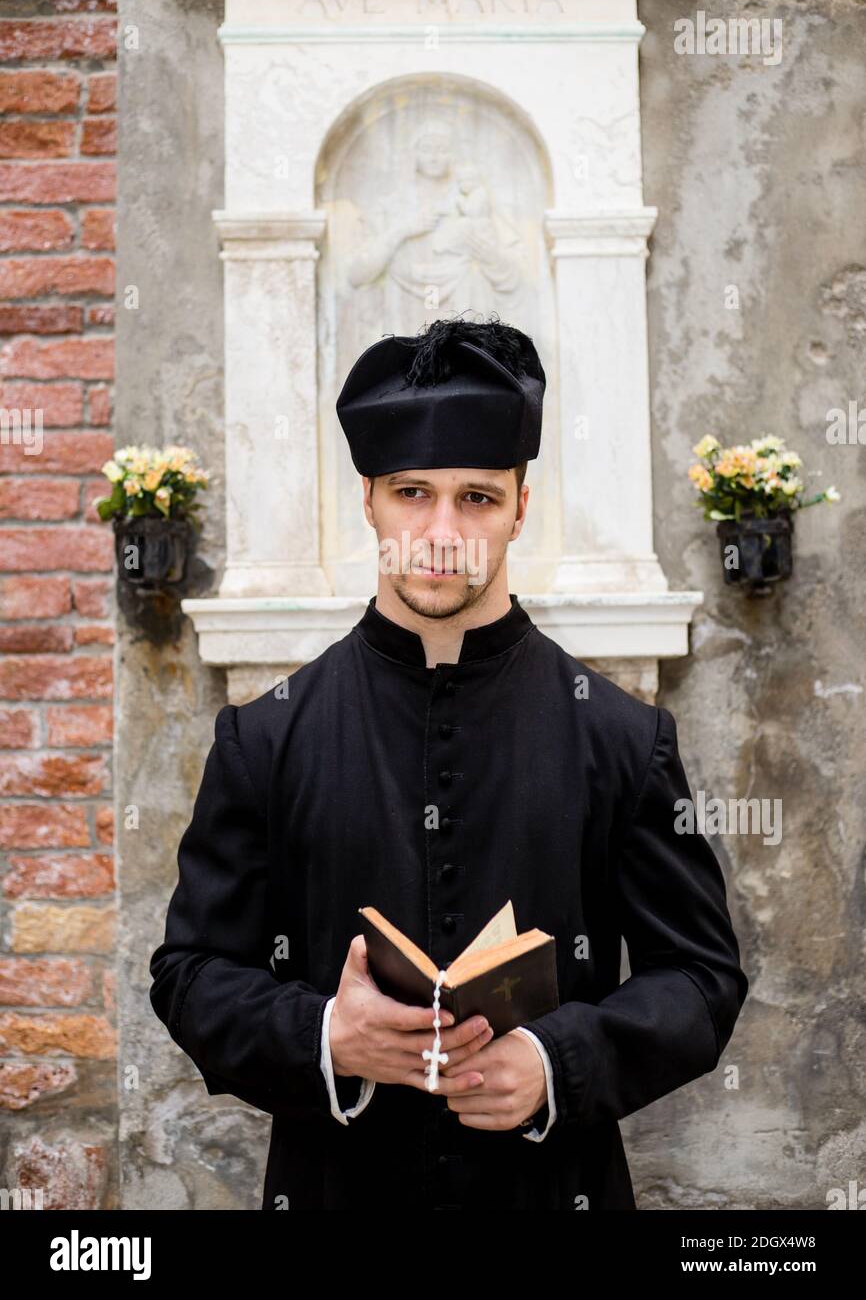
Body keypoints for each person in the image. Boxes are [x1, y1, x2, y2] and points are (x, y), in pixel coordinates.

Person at [149, 314, 748, 1211]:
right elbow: (189, 972)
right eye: (411, 492)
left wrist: (557, 1062)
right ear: (369, 499)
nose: (441, 531)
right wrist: (325, 1036)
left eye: (476, 497)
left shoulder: (622, 737)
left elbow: (703, 980)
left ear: (520, 507)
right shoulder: (265, 738)